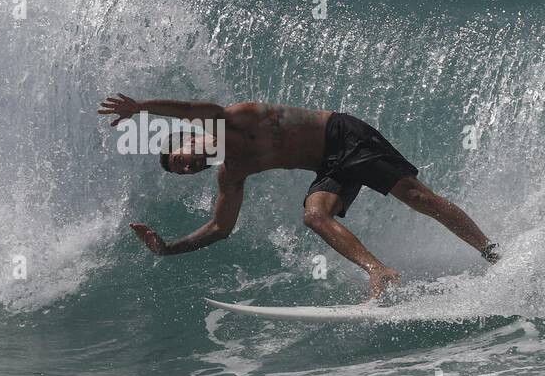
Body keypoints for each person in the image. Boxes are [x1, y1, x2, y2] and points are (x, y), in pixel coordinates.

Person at [97, 94, 498, 296]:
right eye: (180, 172)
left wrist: (141, 107)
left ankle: (488, 250)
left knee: (418, 198)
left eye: (180, 159)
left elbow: (189, 107)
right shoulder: (231, 172)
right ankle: (380, 271)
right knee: (314, 215)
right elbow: (220, 228)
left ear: (186, 139)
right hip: (329, 167)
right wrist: (167, 249)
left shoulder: (234, 119)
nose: (186, 168)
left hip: (345, 136)